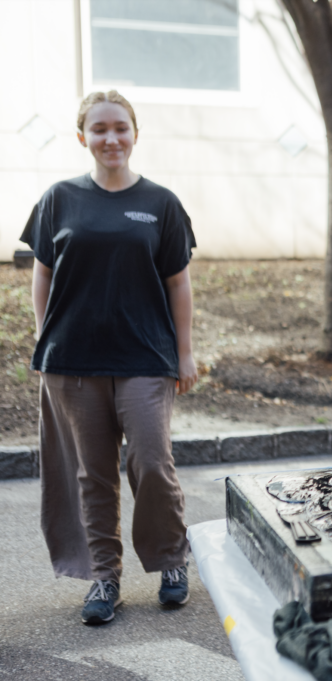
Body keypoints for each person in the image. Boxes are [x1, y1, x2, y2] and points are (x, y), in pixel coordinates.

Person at [21, 91, 199, 625]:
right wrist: (44, 342)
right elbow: (42, 278)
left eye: (120, 127)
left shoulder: (162, 203)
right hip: (72, 361)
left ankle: (170, 560)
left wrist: (184, 353)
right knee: (91, 474)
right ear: (83, 138)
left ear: (135, 133)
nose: (111, 138)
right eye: (99, 129)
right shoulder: (59, 200)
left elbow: (178, 283)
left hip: (145, 354)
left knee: (150, 460)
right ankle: (104, 575)